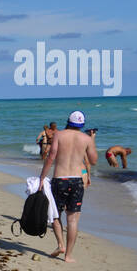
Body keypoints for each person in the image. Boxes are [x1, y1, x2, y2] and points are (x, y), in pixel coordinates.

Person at [38, 110, 98, 263]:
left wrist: (42, 177)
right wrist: (92, 140)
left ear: (68, 122)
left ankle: (60, 244)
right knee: (73, 220)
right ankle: (68, 256)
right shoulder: (86, 139)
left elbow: (51, 157)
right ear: (82, 124)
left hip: (60, 179)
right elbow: (93, 160)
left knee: (55, 214)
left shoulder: (59, 135)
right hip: (77, 180)